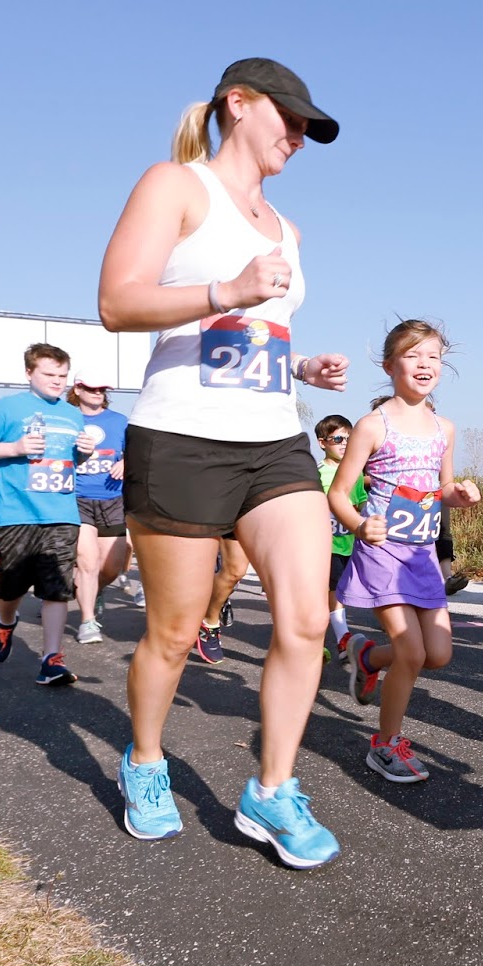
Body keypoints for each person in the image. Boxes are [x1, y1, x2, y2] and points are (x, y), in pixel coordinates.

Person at [98, 56, 347, 868]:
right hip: (181, 438)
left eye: (311, 128)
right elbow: (116, 302)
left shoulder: (290, 227)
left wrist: (301, 366)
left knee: (306, 618)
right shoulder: (175, 185)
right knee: (172, 632)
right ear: (239, 104)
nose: (301, 137)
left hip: (274, 439)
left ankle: (271, 792)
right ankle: (144, 762)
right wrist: (224, 292)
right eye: (292, 119)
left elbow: (259, 328)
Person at [332, 320, 482, 783]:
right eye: (413, 355)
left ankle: (367, 660)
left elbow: (441, 488)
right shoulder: (371, 426)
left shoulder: (444, 428)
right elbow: (338, 493)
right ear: (389, 365)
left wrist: (457, 495)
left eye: (433, 356)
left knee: (437, 654)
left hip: (421, 555)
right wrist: (360, 525)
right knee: (412, 654)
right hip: (382, 553)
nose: (425, 364)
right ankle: (384, 745)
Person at [0, 343, 91, 686]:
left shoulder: (73, 414)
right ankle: (5, 622)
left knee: (58, 588)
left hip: (61, 513)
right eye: (49, 374)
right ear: (29, 373)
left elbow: (69, 464)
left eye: (62, 376)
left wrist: (83, 454)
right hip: (14, 513)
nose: (57, 381)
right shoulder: (8, 407)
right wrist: (13, 448)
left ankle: (51, 659)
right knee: (12, 586)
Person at [70, 370, 130, 645]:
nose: (97, 393)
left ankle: (93, 591)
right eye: (91, 389)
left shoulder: (119, 421)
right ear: (78, 389)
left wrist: (126, 462)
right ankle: (87, 621)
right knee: (88, 562)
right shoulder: (67, 418)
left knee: (112, 566)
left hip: (113, 499)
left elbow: (137, 453)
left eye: (102, 389)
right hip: (77, 498)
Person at [316, 413, 366, 662]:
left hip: (348, 544)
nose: (344, 443)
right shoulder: (317, 473)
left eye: (349, 438)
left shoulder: (354, 474)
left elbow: (359, 506)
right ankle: (340, 639)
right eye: (338, 439)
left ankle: (335, 639)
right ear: (322, 442)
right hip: (323, 546)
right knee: (329, 592)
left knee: (337, 593)